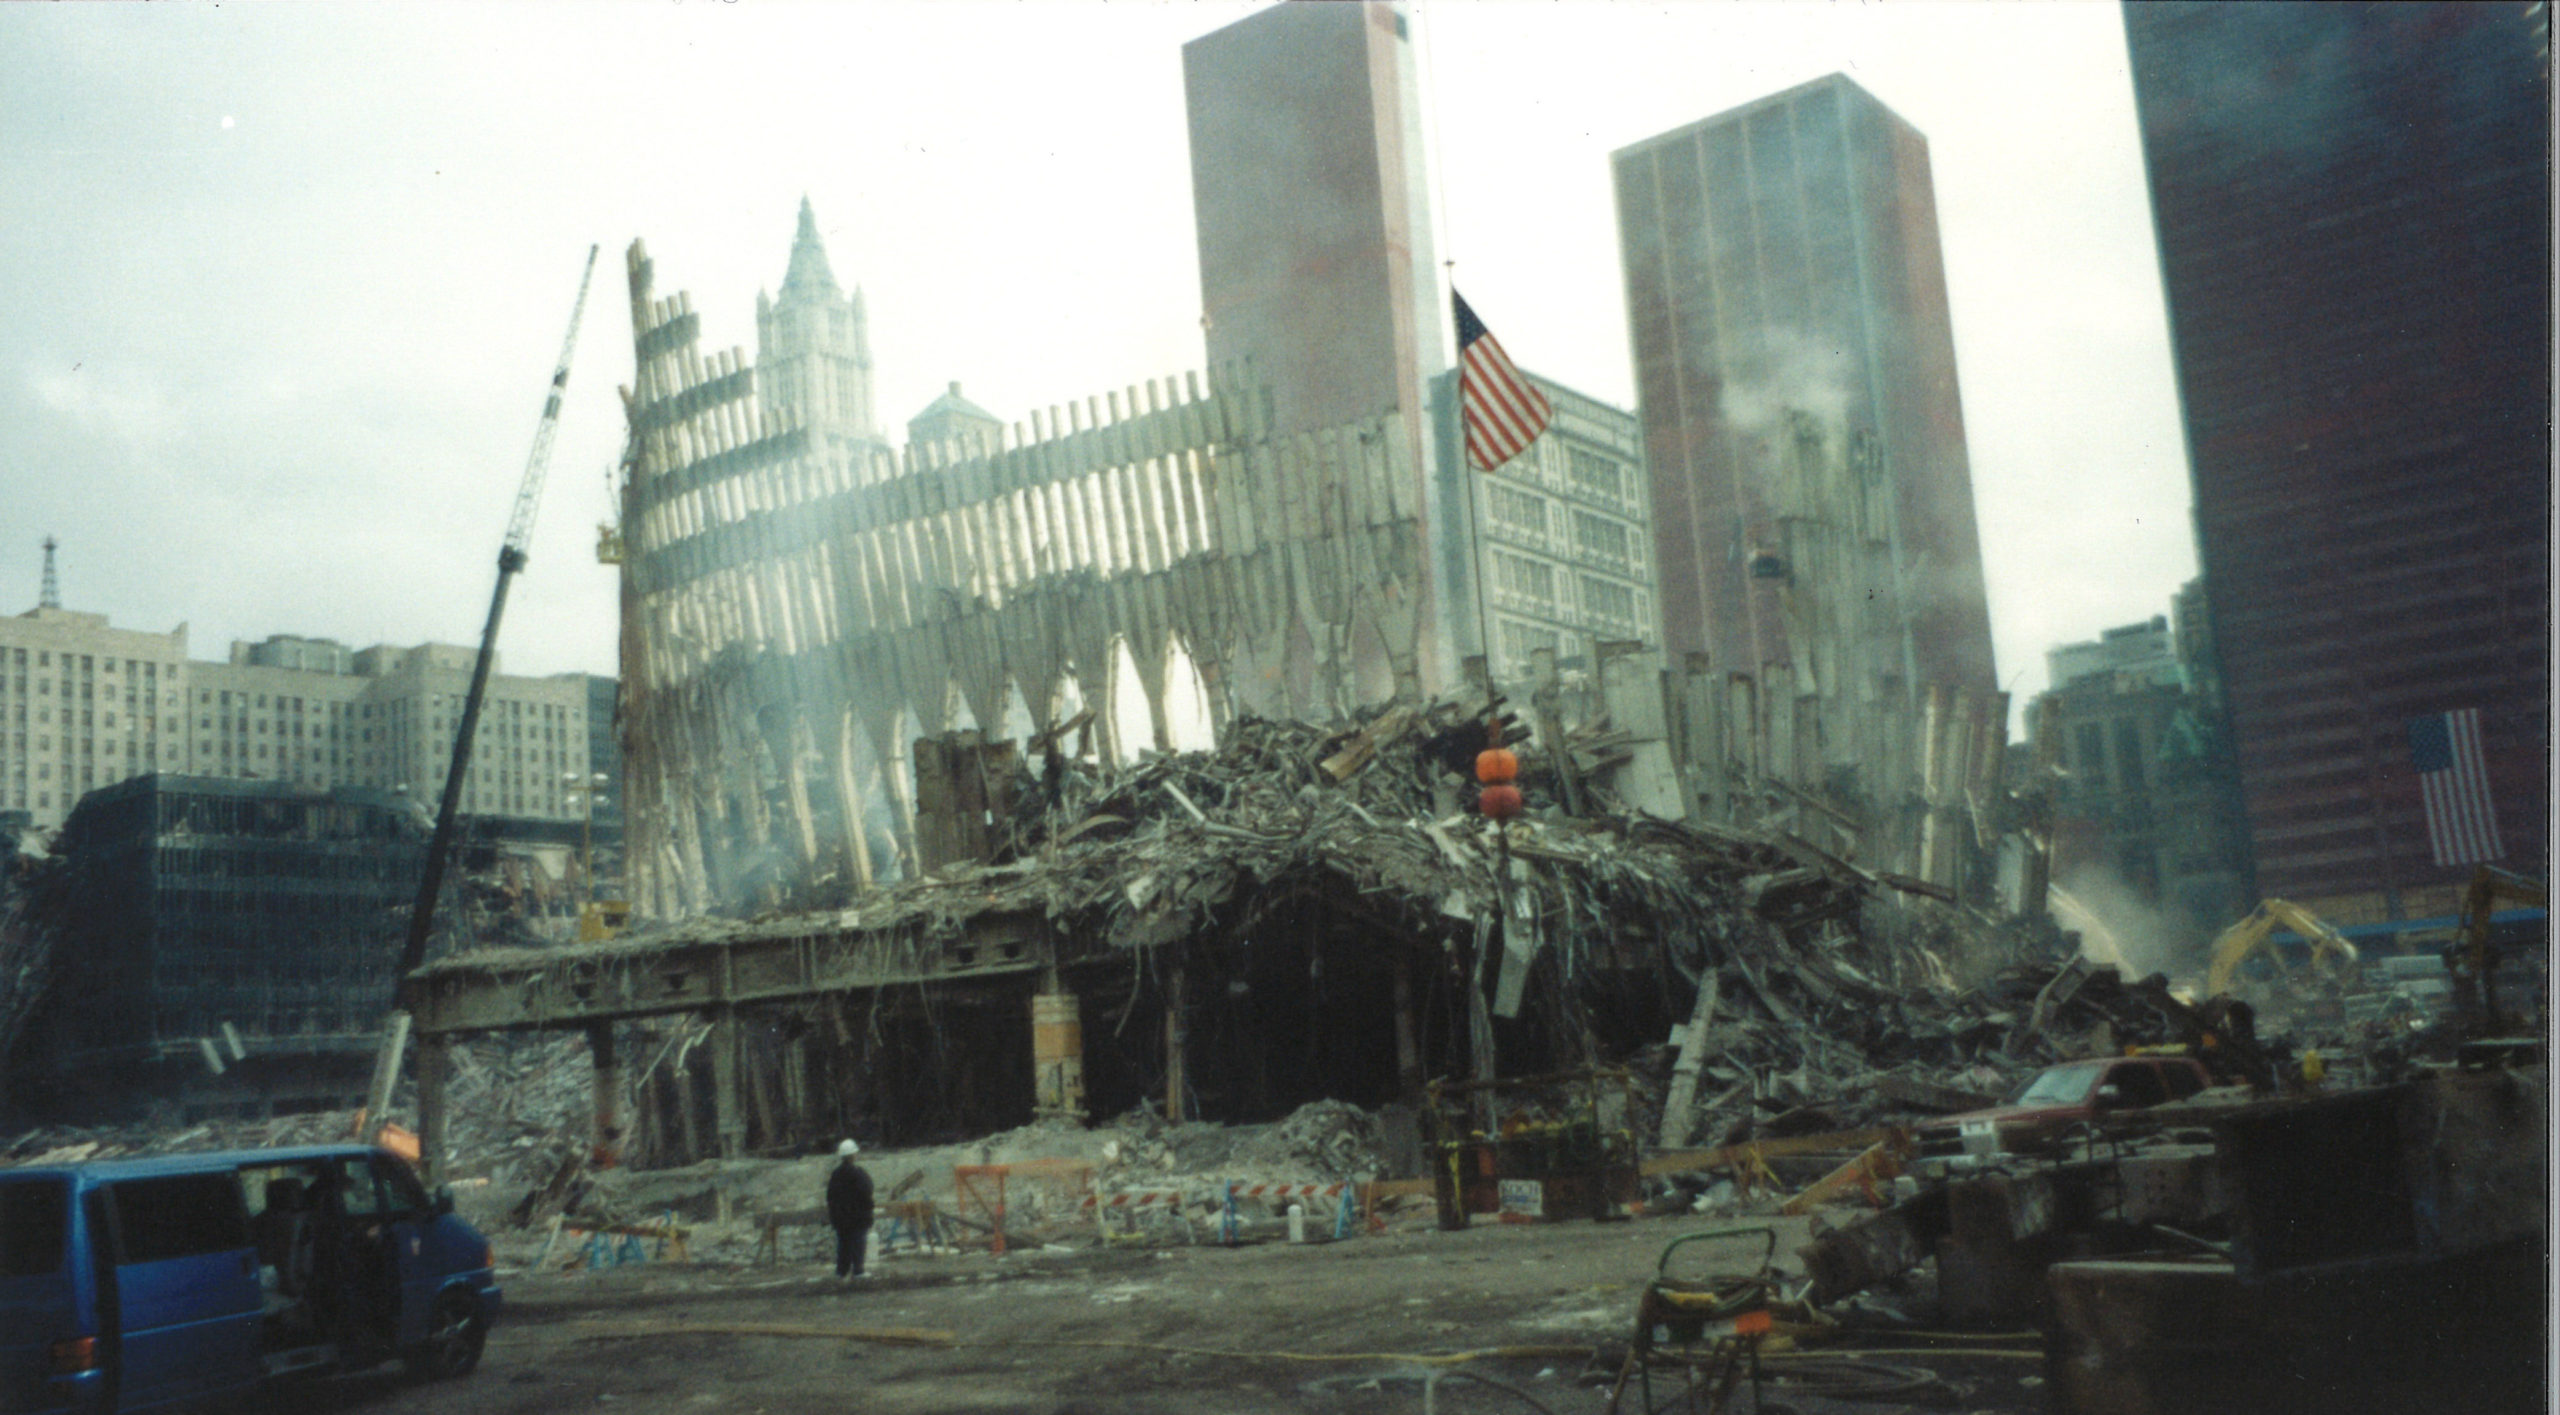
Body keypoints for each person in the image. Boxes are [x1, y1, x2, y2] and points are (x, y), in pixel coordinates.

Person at [826, 1139, 875, 1281]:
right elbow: (867, 1191)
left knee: (843, 1245)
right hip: (858, 1217)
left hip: (841, 1218)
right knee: (858, 1243)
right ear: (853, 1155)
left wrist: (835, 1215)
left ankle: (841, 1272)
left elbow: (830, 1197)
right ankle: (858, 1271)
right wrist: (869, 1209)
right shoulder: (858, 1173)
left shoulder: (836, 1174)